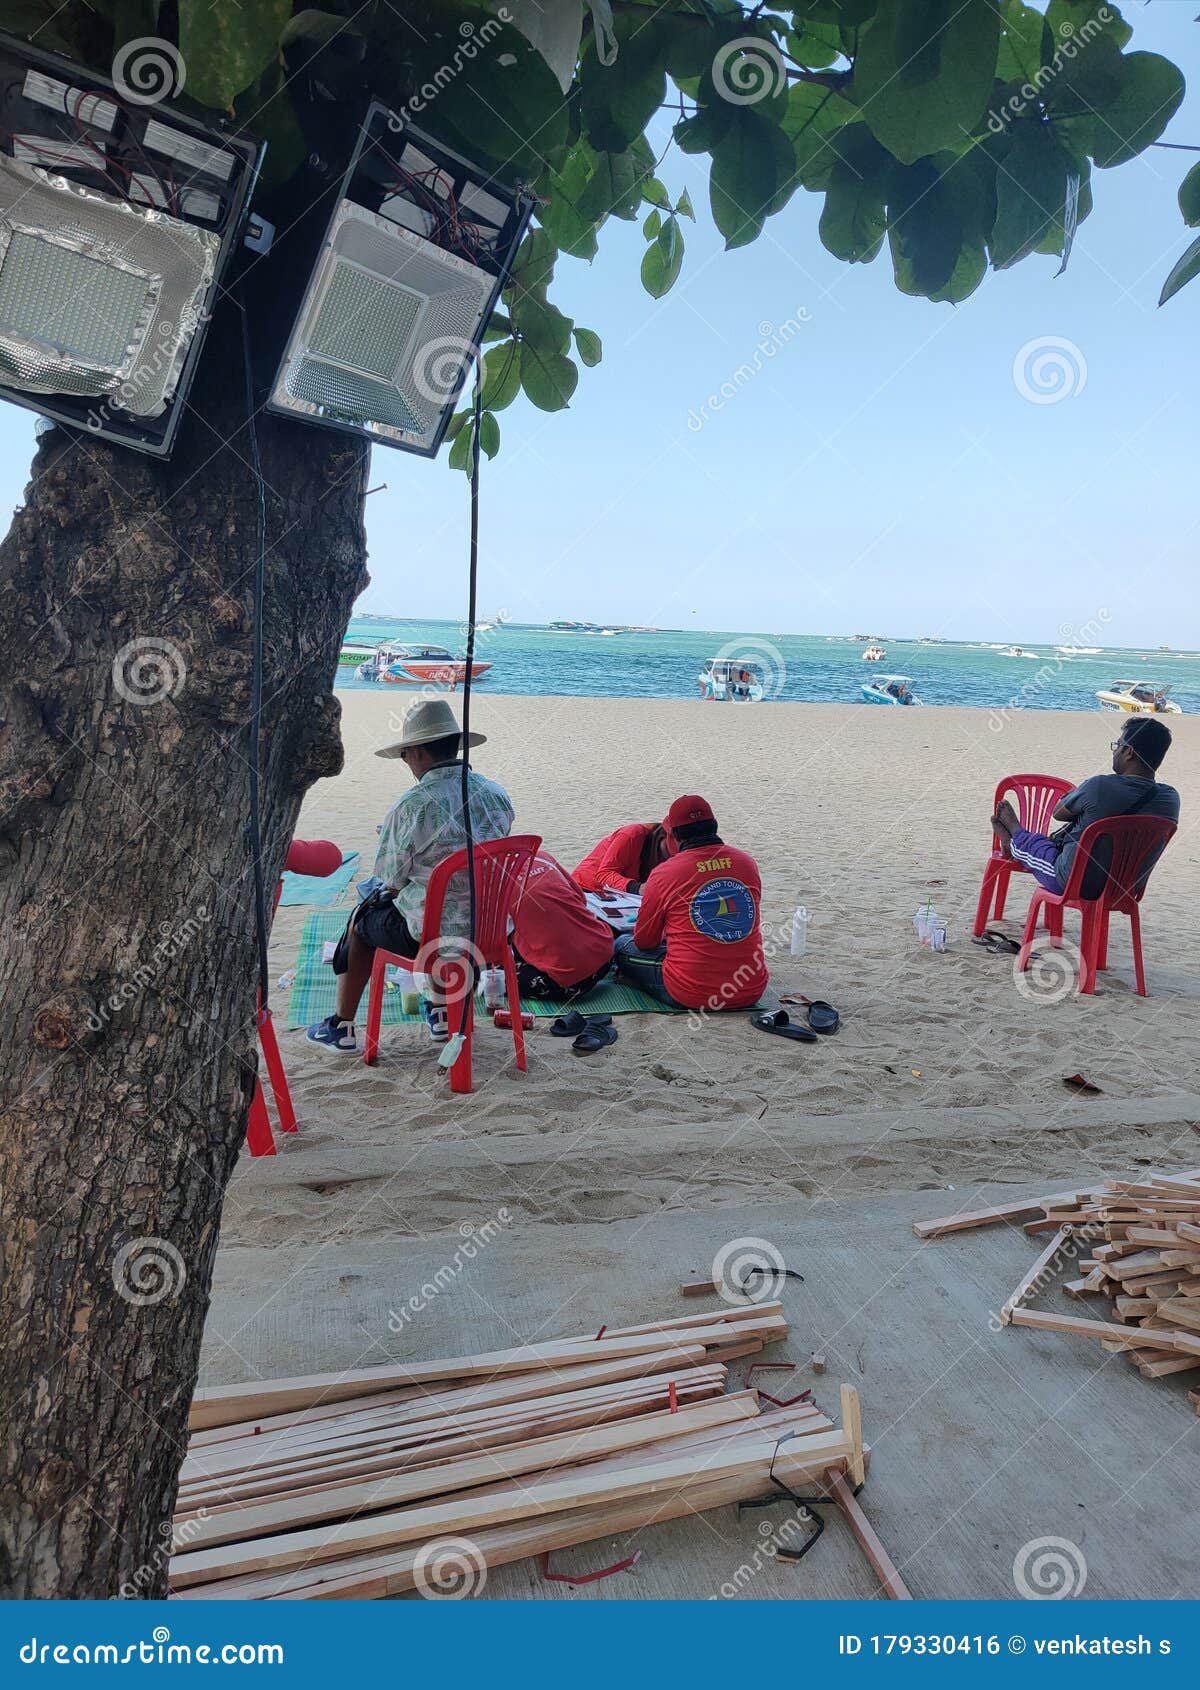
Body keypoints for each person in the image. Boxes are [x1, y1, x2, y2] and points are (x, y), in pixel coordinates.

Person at [307, 698, 514, 1052]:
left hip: (432, 939)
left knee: (363, 917)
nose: (406, 762)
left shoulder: (410, 806)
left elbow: (391, 879)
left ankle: (341, 1025)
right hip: (490, 930)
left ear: (417, 752)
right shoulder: (497, 795)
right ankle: (440, 1011)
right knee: (436, 905)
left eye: (405, 754)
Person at [990, 717, 1180, 898]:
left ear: (1129, 752)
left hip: (1073, 882)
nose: (1114, 751)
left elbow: (1058, 813)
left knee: (1040, 850)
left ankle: (1015, 836)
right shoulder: (1171, 799)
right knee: (1048, 844)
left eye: (1118, 745)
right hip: (1125, 889)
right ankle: (1016, 844)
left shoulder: (1099, 786)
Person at [613, 795, 768, 1012]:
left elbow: (645, 942)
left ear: (674, 837)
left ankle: (639, 982)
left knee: (620, 944)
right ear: (714, 826)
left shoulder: (665, 873)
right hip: (750, 989)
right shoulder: (747, 863)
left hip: (691, 995)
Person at [509, 850, 616, 1001]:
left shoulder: (486, 882)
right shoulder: (540, 855)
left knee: (486, 975)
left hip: (569, 984)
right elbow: (580, 898)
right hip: (606, 957)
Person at [573, 818, 672, 894]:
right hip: (585, 890)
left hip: (621, 897)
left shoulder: (683, 857)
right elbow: (604, 874)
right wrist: (637, 888)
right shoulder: (632, 834)